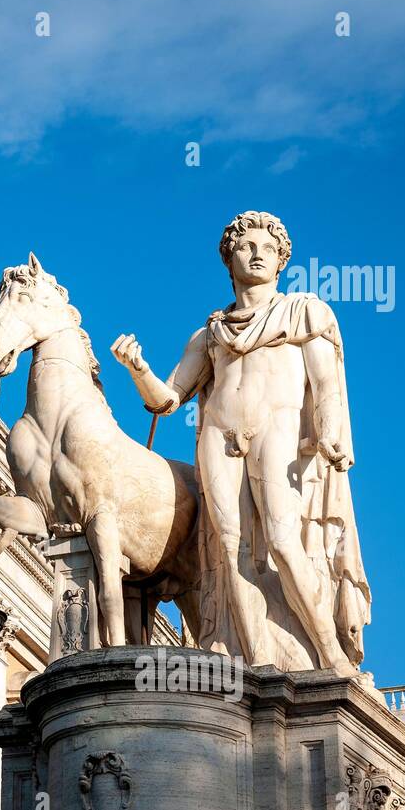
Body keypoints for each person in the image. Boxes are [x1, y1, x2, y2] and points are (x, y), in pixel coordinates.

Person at [110, 211, 369, 677]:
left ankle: (330, 655)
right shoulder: (210, 332)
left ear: (281, 261)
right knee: (228, 551)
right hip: (219, 433)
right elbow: (168, 399)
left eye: (267, 249)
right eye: (246, 247)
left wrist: (330, 430)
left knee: (284, 540)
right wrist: (138, 369)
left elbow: (326, 383)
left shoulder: (304, 311)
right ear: (229, 260)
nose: (256, 255)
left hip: (278, 427)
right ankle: (259, 663)